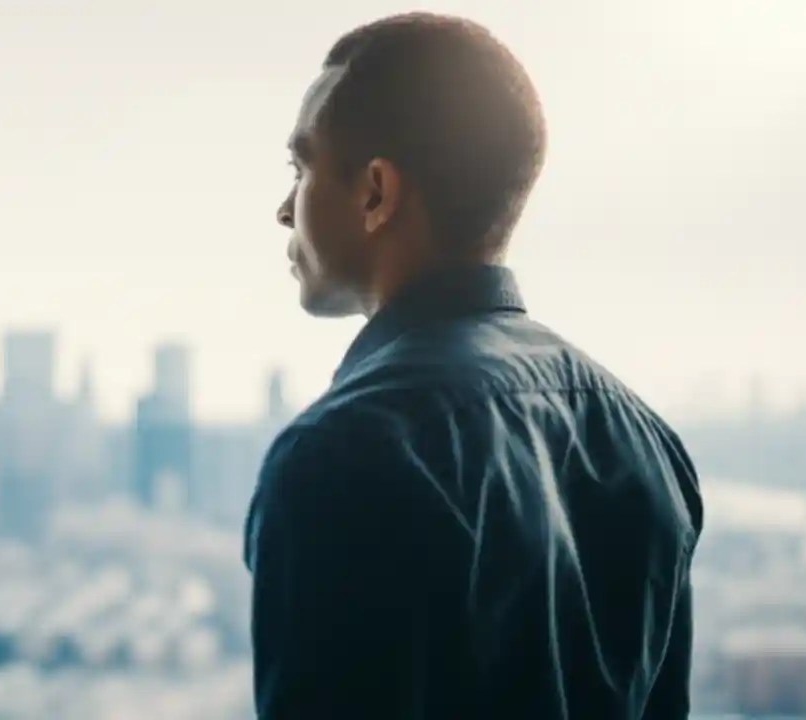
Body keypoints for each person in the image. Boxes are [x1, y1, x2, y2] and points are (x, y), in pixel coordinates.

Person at [245, 12, 703, 719]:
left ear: (375, 192)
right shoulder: (645, 441)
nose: (284, 209)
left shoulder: (341, 455)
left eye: (300, 167)